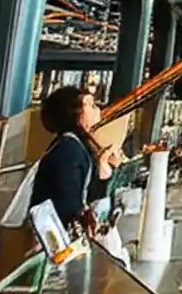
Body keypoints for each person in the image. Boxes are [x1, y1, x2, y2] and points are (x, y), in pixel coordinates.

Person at [30, 87, 120, 231]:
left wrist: (103, 170)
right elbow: (69, 208)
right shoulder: (69, 151)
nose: (98, 110)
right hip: (57, 234)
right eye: (92, 105)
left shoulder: (75, 146)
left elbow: (86, 196)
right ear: (76, 113)